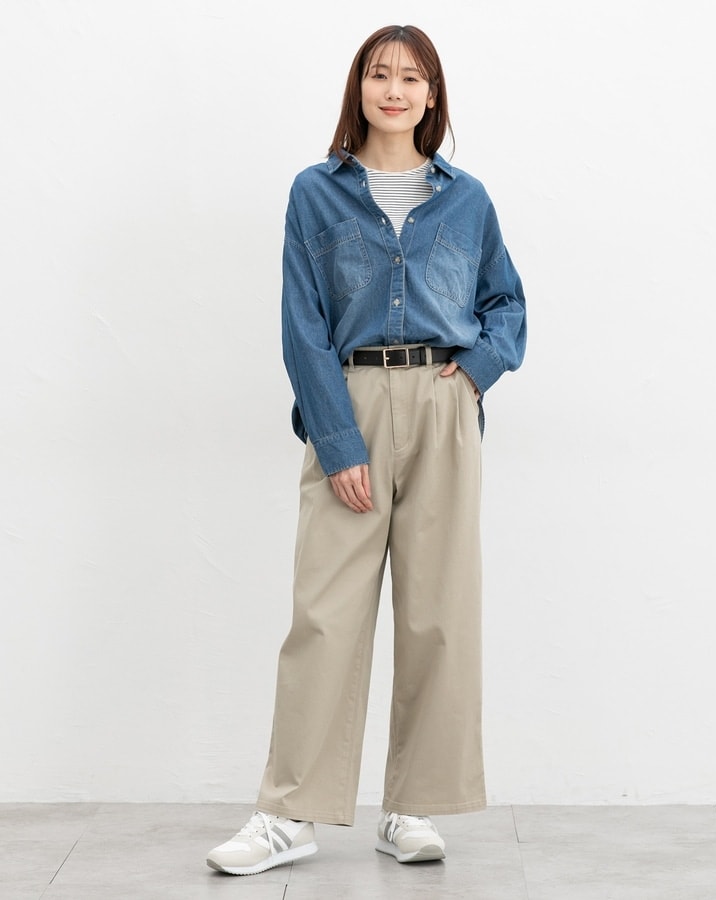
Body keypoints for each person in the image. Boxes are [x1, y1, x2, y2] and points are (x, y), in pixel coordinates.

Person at [206, 23, 526, 877]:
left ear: (432, 96)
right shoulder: (316, 192)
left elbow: (506, 304)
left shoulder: (468, 199)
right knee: (325, 614)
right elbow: (302, 323)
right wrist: (338, 436)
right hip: (348, 401)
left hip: (444, 403)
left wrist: (474, 376)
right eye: (380, 74)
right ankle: (290, 813)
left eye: (411, 77)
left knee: (438, 613)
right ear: (359, 88)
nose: (394, 89)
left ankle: (412, 805)